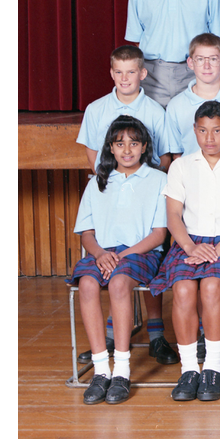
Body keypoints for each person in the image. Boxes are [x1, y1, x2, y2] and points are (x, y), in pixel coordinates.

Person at [74, 45, 176, 370]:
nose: (125, 78)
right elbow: (94, 153)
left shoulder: (157, 111)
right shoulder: (97, 109)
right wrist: (110, 175)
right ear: (111, 73)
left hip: (146, 194)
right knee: (102, 275)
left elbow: (164, 157)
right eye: (119, 71)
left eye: (131, 71)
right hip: (111, 186)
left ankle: (156, 333)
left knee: (131, 268)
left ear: (142, 73)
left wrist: (144, 182)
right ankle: (108, 342)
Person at [148, 102, 220, 402]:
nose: (209, 138)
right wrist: (190, 247)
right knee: (183, 289)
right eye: (202, 130)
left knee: (211, 287)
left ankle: (211, 367)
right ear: (194, 130)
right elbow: (173, 215)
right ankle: (188, 369)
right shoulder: (181, 166)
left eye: (217, 130)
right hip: (190, 240)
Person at [70, 116, 168, 405]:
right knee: (87, 284)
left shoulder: (158, 179)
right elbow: (86, 232)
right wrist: (100, 254)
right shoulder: (97, 182)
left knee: (118, 283)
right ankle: (101, 370)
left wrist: (121, 256)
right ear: (110, 148)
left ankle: (121, 370)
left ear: (144, 147)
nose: (127, 150)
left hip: (140, 252)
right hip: (103, 253)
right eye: (120, 143)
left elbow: (159, 234)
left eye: (134, 143)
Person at [165, 33, 220, 159]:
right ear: (190, 63)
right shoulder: (175, 105)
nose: (207, 66)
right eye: (200, 59)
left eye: (213, 59)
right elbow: (177, 154)